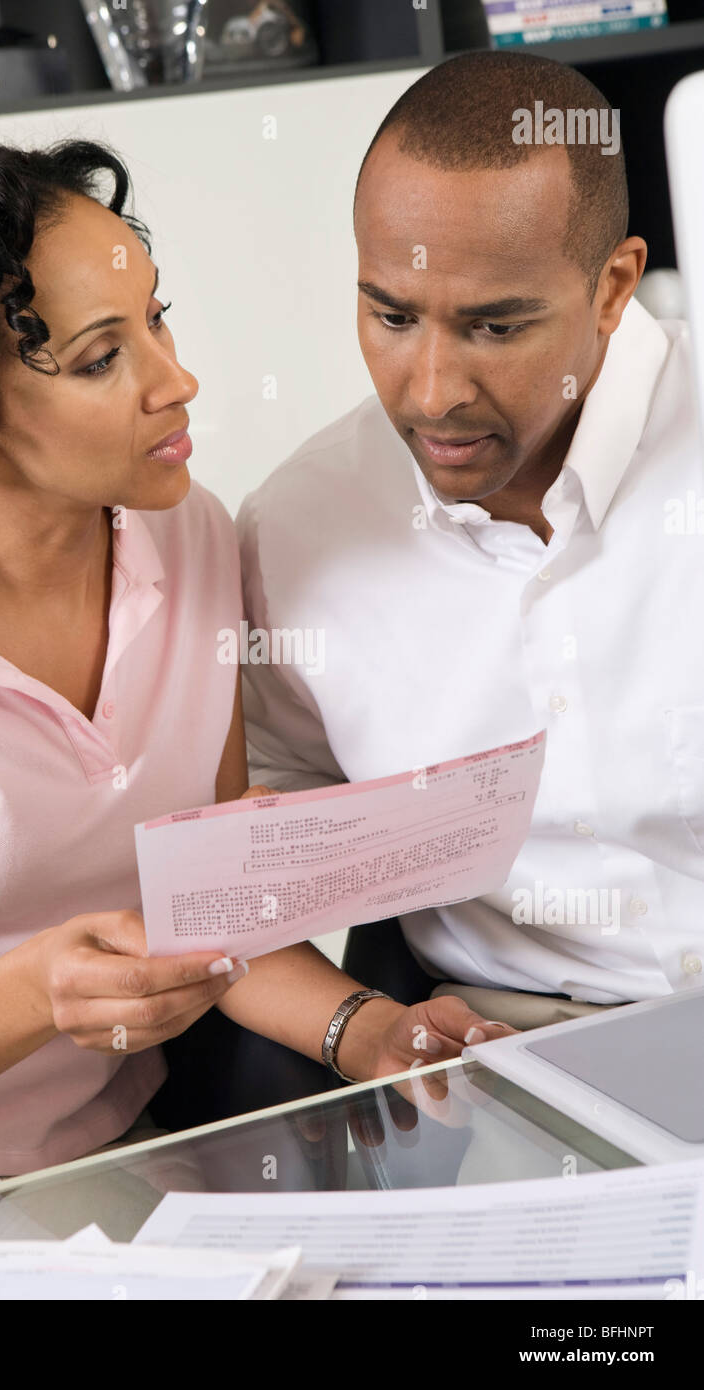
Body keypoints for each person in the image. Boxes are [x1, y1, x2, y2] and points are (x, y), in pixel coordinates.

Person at [0, 137, 509, 1210]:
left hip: (121, 1139)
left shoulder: (188, 536)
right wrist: (32, 997)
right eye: (104, 357)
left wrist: (366, 1027)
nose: (177, 379)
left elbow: (216, 908)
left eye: (155, 318)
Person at [237, 50, 704, 1031]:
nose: (434, 389)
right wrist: (356, 1026)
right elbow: (254, 869)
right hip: (506, 1047)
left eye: (495, 327)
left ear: (614, 285)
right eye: (391, 315)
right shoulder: (298, 531)